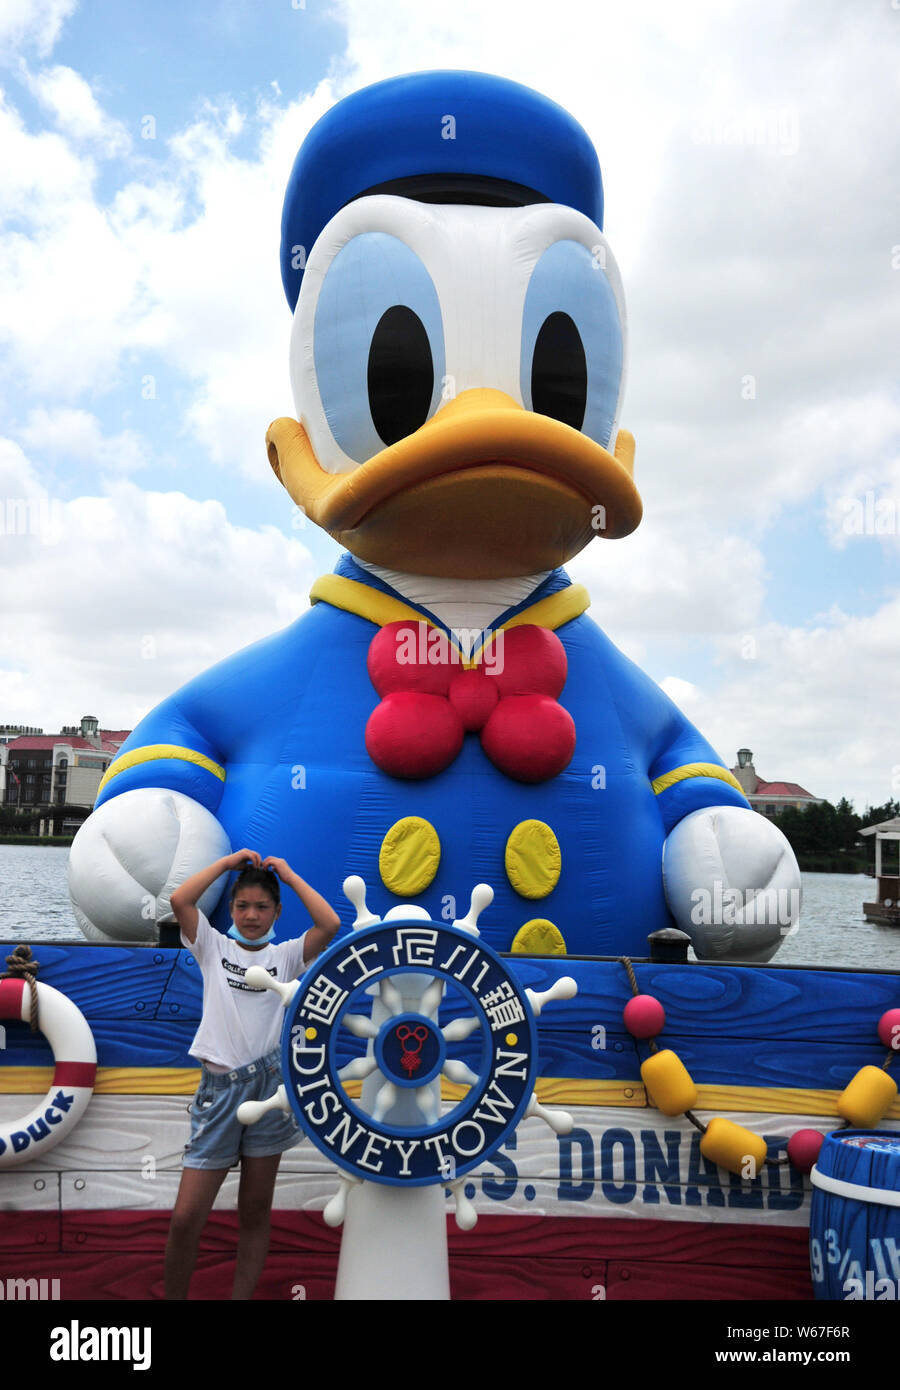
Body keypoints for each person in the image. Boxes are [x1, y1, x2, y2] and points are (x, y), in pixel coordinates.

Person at [164, 848, 340, 1300]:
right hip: (220, 1093)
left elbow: (330, 925)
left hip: (270, 1091)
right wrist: (225, 865)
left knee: (255, 1211)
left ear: (277, 912)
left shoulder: (286, 957)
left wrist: (290, 872)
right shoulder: (212, 946)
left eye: (262, 907)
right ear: (231, 910)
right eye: (242, 906)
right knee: (186, 1218)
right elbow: (181, 901)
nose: (251, 915)